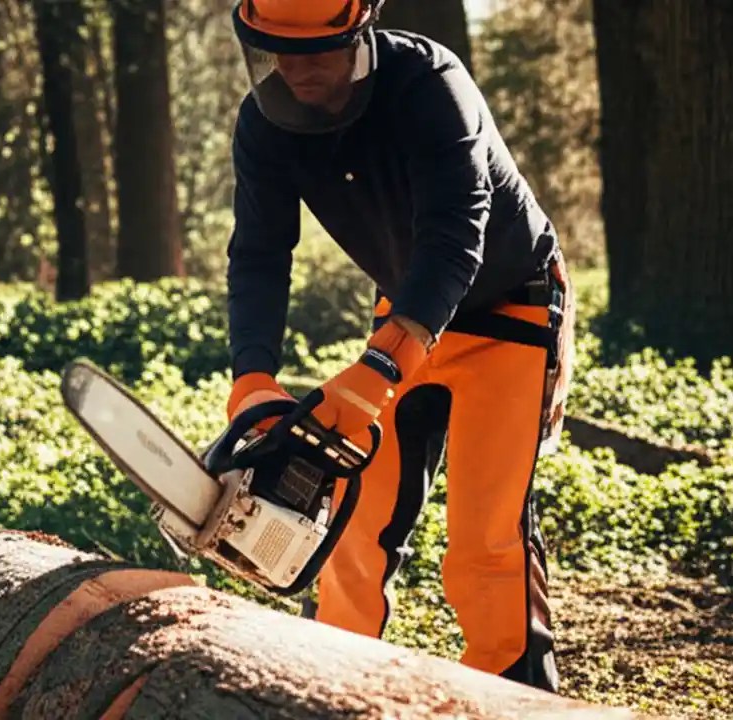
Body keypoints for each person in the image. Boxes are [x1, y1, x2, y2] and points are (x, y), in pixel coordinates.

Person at [222, 0, 576, 693]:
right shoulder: (264, 124)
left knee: (485, 542)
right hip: (404, 309)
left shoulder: (430, 86)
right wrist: (254, 376)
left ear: (359, 33)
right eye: (276, 51)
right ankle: (329, 690)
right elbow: (260, 252)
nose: (295, 69)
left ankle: (517, 700)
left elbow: (454, 233)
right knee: (355, 524)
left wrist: (384, 365)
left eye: (315, 52)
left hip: (513, 306)